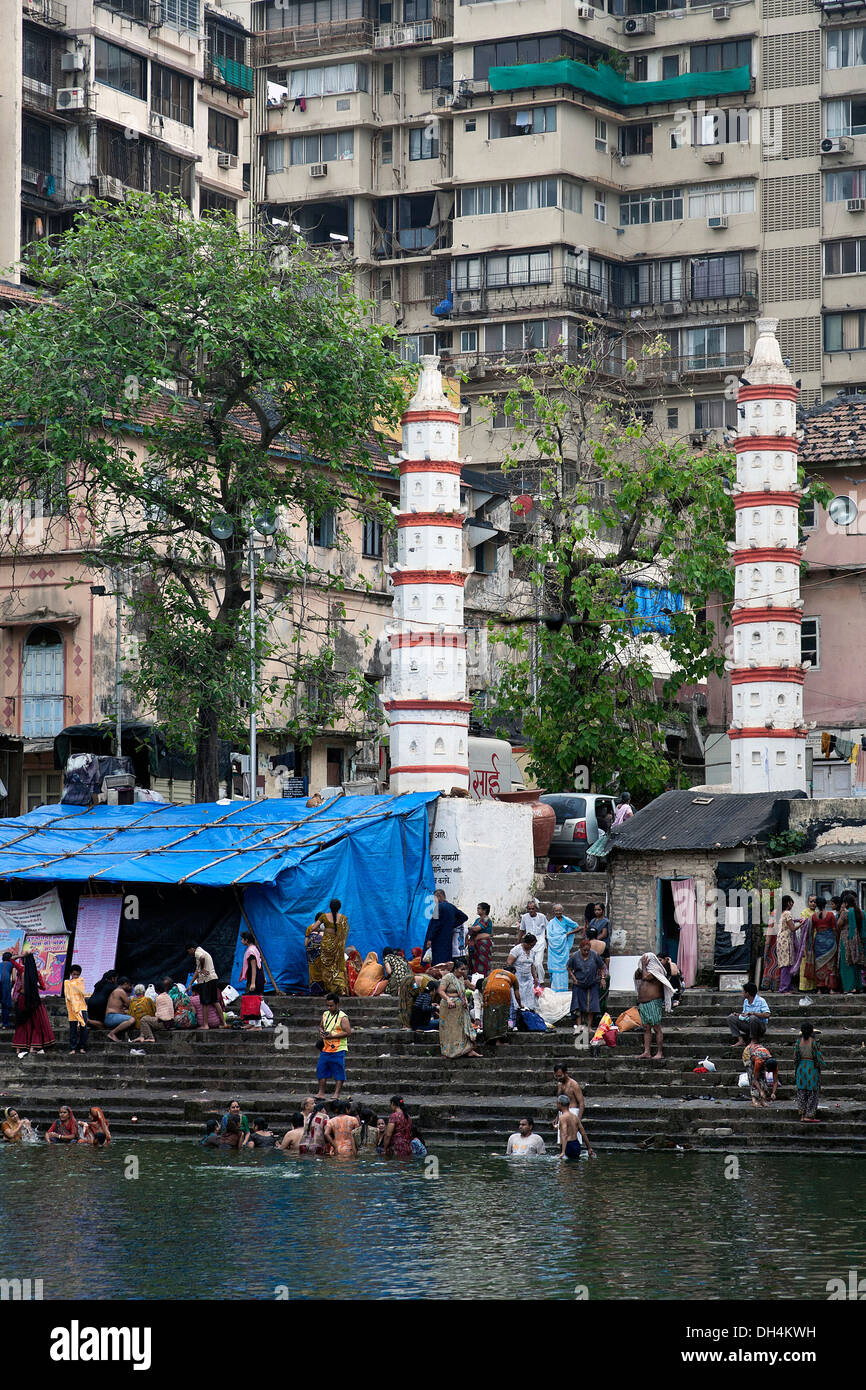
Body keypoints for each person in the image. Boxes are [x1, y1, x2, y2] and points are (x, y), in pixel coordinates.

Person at [11, 946, 55, 1057]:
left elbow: (11, 959)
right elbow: (44, 987)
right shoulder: (37, 973)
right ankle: (32, 1047)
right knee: (36, 1024)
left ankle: (18, 1048)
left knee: (21, 1023)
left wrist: (22, 955)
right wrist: (35, 986)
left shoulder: (21, 970)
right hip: (34, 1000)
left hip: (22, 999)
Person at [437, 962, 482, 1058]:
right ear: (455, 969)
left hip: (460, 1008)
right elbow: (440, 991)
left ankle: (467, 1050)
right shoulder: (448, 977)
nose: (464, 971)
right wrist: (448, 1000)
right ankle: (447, 1051)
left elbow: (464, 992)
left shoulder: (461, 978)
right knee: (449, 1029)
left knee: (461, 1029)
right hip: (448, 1008)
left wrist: (465, 1001)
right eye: (462, 969)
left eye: (464, 969)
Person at [305, 898, 349, 996]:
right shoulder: (343, 918)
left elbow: (313, 927)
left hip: (326, 945)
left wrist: (324, 931)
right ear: (339, 907)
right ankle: (341, 989)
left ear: (330, 907)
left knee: (327, 968)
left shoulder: (324, 917)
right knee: (338, 966)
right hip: (338, 946)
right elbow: (345, 932)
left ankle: (330, 991)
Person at [634, 953, 671, 1060]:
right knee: (646, 1028)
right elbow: (637, 976)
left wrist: (645, 966)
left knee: (656, 1027)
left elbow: (646, 977)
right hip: (643, 1003)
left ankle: (660, 1052)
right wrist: (641, 966)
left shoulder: (656, 971)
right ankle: (647, 1052)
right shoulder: (644, 970)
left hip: (653, 1002)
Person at [803, 897, 841, 994]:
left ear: (817, 905)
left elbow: (810, 932)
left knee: (819, 965)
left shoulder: (814, 916)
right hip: (830, 941)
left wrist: (809, 946)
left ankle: (819, 988)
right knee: (830, 965)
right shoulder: (830, 915)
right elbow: (834, 929)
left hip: (818, 942)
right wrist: (837, 941)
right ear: (825, 904)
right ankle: (831, 988)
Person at [317, 991, 351, 1098]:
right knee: (321, 1069)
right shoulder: (325, 1014)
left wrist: (332, 1036)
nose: (329, 1008)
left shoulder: (343, 1017)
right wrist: (321, 1031)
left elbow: (348, 1032)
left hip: (339, 1048)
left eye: (331, 1006)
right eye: (327, 1005)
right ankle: (321, 1093)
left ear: (337, 1004)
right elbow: (321, 1026)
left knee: (338, 1071)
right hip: (326, 1047)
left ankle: (336, 1094)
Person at [423, 889, 467, 967]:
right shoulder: (451, 907)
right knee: (446, 962)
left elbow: (434, 925)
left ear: (439, 896)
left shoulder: (438, 907)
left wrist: (430, 939)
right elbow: (464, 917)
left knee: (438, 963)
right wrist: (451, 925)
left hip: (438, 940)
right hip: (448, 939)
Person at [568, 938, 604, 1033]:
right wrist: (573, 978)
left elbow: (602, 967)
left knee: (592, 1005)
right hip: (579, 984)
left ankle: (589, 1027)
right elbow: (568, 967)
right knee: (578, 1005)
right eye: (584, 950)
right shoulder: (574, 956)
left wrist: (603, 978)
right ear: (580, 948)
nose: (586, 952)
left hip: (592, 983)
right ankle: (579, 1026)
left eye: (588, 950)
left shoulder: (595, 955)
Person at [185, 941, 223, 1029]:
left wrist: (202, 968)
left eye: (189, 951)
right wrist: (190, 984)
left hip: (207, 980)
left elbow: (201, 959)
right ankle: (223, 1023)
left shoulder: (198, 953)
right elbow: (197, 971)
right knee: (215, 1001)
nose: (189, 953)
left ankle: (205, 1025)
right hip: (213, 978)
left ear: (192, 949)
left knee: (204, 1002)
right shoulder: (203, 952)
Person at [742, 1019, 778, 1108]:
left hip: (758, 1053)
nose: (768, 1072)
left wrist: (773, 1093)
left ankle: (762, 1100)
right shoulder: (759, 1062)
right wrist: (760, 1091)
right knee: (753, 1076)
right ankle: (754, 1100)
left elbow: (775, 1081)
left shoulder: (774, 1065)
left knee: (763, 1078)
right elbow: (754, 1079)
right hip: (748, 1054)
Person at [794, 1021, 824, 1122]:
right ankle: (809, 1115)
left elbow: (795, 1058)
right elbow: (818, 1058)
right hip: (811, 1068)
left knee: (802, 1092)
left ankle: (802, 1115)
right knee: (813, 1092)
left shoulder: (798, 1042)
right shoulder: (814, 1042)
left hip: (801, 1068)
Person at [481, 966, 519, 1046]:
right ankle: (499, 1040)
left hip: (489, 991)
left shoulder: (495, 971)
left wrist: (485, 998)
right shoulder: (513, 977)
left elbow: (485, 982)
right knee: (502, 1016)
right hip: (503, 992)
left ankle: (489, 1038)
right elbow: (517, 994)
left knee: (490, 1015)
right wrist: (520, 1004)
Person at [546, 905, 580, 992]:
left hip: (564, 948)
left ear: (562, 911)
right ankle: (554, 990)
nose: (558, 912)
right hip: (553, 950)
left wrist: (568, 934)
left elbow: (578, 927)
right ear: (553, 912)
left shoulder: (566, 920)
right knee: (554, 970)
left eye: (559, 911)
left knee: (564, 968)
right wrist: (560, 938)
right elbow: (549, 936)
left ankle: (563, 990)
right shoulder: (551, 923)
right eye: (556, 911)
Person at [838, 891, 866, 994]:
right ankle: (859, 986)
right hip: (857, 939)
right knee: (856, 963)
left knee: (847, 962)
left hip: (846, 938)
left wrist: (841, 912)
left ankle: (850, 987)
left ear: (845, 903)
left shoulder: (846, 912)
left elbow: (839, 924)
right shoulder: (860, 912)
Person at [726, 981, 770, 1045]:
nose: (742, 993)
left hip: (760, 1027)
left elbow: (767, 1015)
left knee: (753, 1018)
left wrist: (753, 1013)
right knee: (731, 1017)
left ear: (747, 993)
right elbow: (745, 1015)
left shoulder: (761, 1000)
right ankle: (740, 1040)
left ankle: (754, 1040)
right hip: (748, 1024)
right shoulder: (746, 1001)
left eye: (743, 991)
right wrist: (738, 1015)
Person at [775, 896, 802, 995]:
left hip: (781, 941)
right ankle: (784, 988)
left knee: (785, 964)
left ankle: (788, 987)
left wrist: (797, 920)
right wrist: (802, 924)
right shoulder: (787, 913)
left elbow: (789, 923)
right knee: (787, 964)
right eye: (791, 903)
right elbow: (792, 928)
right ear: (788, 903)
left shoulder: (781, 914)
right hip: (786, 941)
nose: (792, 905)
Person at [516, 900, 548, 982]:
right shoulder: (525, 917)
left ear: (536, 909)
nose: (531, 910)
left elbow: (548, 929)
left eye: (532, 908)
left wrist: (548, 943)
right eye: (529, 909)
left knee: (538, 963)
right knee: (530, 963)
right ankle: (532, 981)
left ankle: (541, 981)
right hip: (529, 944)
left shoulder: (542, 917)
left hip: (540, 943)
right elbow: (522, 930)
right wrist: (518, 942)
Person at [240, 930, 266, 1028]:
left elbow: (254, 967)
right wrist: (264, 977)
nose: (241, 941)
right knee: (251, 1000)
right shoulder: (254, 949)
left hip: (254, 978)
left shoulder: (251, 951)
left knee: (255, 1001)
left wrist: (253, 983)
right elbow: (261, 964)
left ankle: (258, 1025)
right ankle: (251, 1023)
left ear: (246, 940)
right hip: (256, 977)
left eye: (242, 939)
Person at [507, 934, 539, 1012]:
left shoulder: (532, 952)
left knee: (529, 998)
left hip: (528, 978)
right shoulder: (516, 950)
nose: (532, 947)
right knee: (518, 997)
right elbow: (509, 963)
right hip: (518, 978)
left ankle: (528, 1012)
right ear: (526, 943)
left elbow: (532, 965)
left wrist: (535, 978)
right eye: (531, 945)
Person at [102, 979, 138, 1044]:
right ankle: (112, 1033)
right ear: (125, 984)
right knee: (132, 1019)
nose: (130, 987)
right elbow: (129, 1004)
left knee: (128, 1015)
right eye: (129, 985)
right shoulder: (120, 991)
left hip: (111, 1017)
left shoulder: (115, 991)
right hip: (111, 1017)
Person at [63, 964, 88, 1054]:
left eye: (77, 974)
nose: (76, 976)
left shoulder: (81, 981)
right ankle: (73, 1047)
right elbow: (67, 995)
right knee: (73, 1029)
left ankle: (82, 1047)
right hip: (72, 1008)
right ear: (71, 974)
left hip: (82, 1007)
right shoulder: (67, 982)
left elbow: (82, 991)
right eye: (74, 974)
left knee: (83, 1028)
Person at [467, 903, 494, 978]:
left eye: (479, 908)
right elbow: (471, 931)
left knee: (483, 964)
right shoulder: (477, 920)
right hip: (475, 945)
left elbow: (476, 928)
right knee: (474, 965)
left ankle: (482, 981)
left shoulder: (486, 919)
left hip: (482, 946)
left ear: (484, 910)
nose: (477, 909)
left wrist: (469, 928)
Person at [798, 894, 818, 991]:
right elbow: (802, 926)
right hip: (806, 942)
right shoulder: (804, 913)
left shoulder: (817, 913)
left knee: (813, 963)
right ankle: (804, 987)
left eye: (815, 902)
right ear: (808, 902)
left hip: (816, 941)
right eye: (811, 901)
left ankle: (813, 986)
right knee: (805, 963)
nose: (813, 903)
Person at [1, 950, 15, 1029]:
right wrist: (11, 986)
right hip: (5, 983)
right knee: (5, 1005)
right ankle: (4, 1024)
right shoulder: (12, 965)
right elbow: (13, 979)